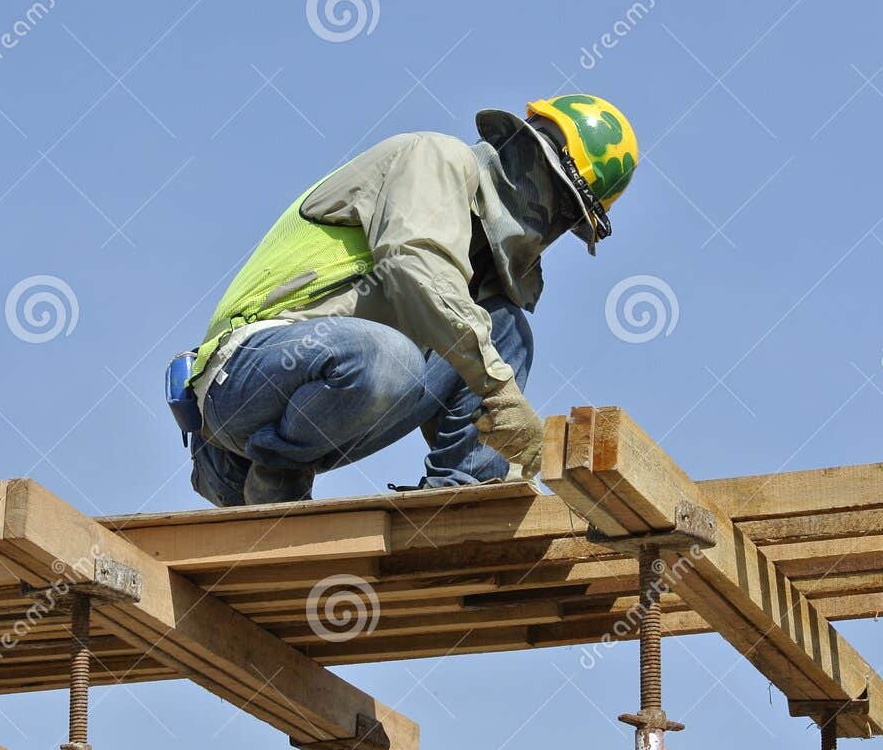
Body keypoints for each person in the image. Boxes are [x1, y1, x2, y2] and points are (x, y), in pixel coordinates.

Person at [174, 95, 638, 507]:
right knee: (396, 356)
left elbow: (467, 354)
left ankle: (463, 500)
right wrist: (500, 390)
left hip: (316, 420)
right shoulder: (437, 159)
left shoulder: (481, 273)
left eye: (567, 212)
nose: (550, 216)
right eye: (555, 194)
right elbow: (413, 265)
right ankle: (277, 476)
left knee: (505, 328)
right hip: (240, 388)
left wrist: (522, 466)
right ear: (523, 151)